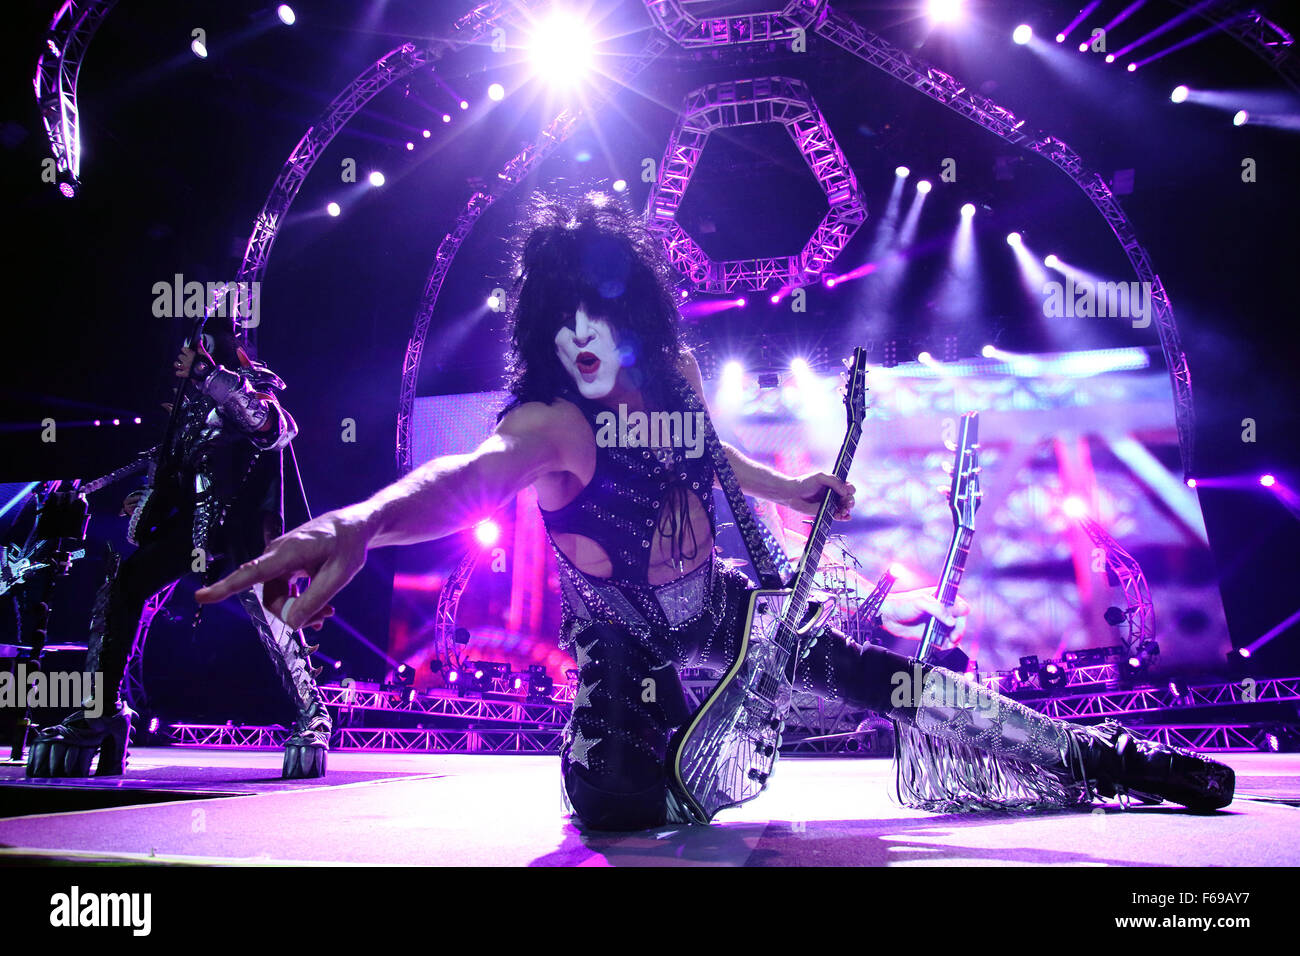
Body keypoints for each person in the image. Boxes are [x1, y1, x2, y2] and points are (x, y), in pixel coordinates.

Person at [195, 194, 1234, 828]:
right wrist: (364, 522)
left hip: (729, 615)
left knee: (915, 687)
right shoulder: (553, 422)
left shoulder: (672, 380)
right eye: (566, 325)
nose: (586, 343)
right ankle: (645, 741)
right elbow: (472, 473)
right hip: (629, 649)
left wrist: (790, 489)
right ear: (548, 333)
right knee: (616, 808)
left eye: (605, 319)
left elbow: (709, 451)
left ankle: (1121, 762)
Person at [27, 315, 332, 780]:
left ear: (210, 347)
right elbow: (168, 469)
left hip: (240, 526)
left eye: (191, 348)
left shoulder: (249, 385)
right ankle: (100, 710)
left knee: (271, 612)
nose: (180, 358)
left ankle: (314, 718)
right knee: (124, 585)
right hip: (191, 526)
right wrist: (123, 495)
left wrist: (210, 375)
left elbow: (272, 428)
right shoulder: (185, 412)